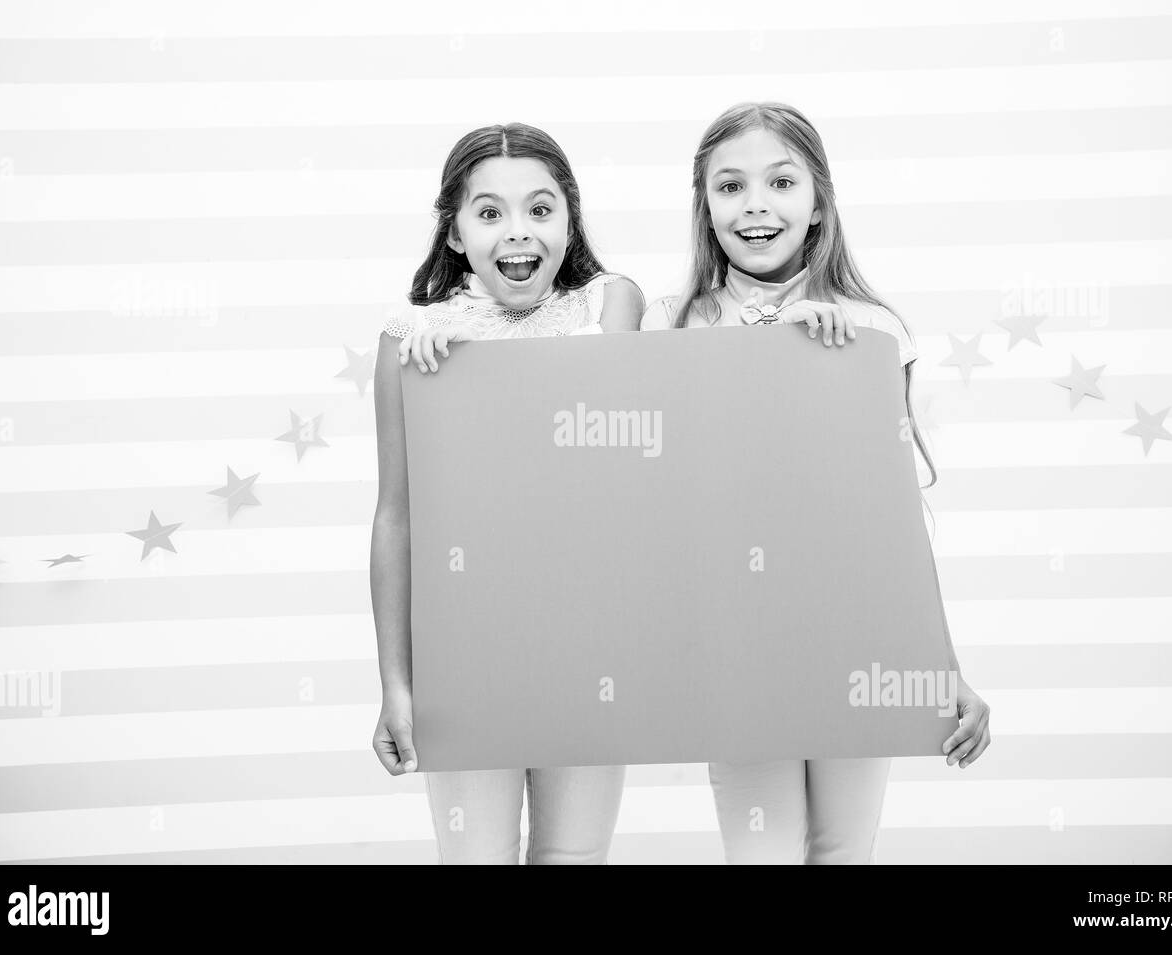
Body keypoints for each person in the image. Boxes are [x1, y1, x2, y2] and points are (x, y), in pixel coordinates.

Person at [642, 101, 991, 864]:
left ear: (819, 199)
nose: (757, 205)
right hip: (731, 644)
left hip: (855, 634)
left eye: (781, 182)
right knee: (760, 852)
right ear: (705, 206)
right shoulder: (669, 326)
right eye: (730, 187)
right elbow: (648, 491)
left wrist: (943, 666)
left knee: (843, 852)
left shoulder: (871, 329)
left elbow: (897, 520)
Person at [371, 122, 645, 864]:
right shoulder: (411, 339)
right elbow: (397, 517)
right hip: (463, 659)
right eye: (489, 212)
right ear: (455, 233)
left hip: (590, 651)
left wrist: (480, 368)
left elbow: (602, 457)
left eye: (540, 208)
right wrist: (397, 685)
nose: (517, 232)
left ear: (569, 219)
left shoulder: (609, 305)